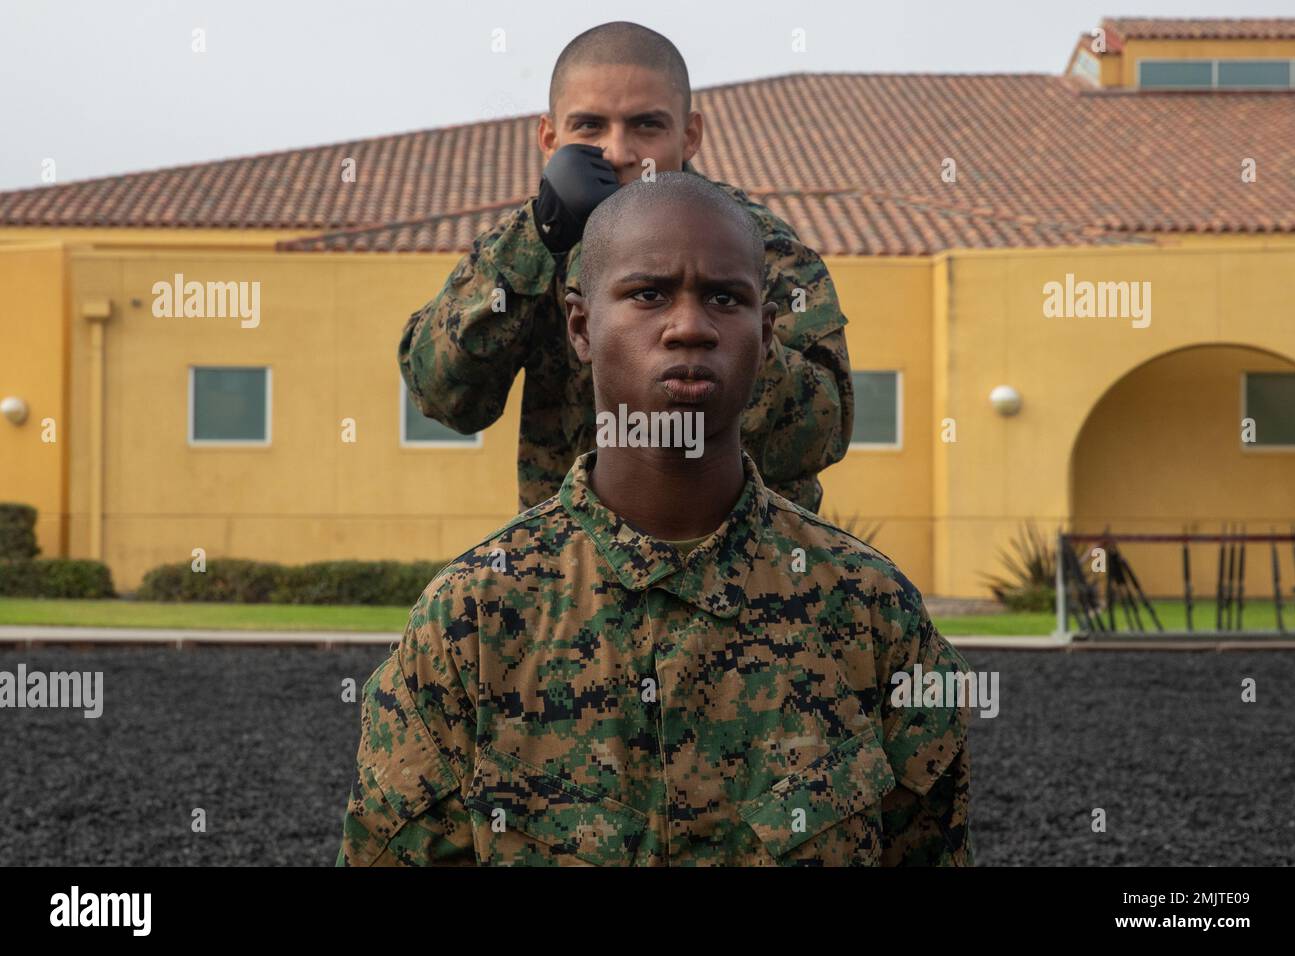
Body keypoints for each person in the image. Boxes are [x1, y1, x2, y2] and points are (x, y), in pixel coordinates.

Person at [339, 173, 974, 866]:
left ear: (765, 337)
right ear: (581, 327)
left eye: (724, 299)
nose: (690, 326)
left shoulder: (871, 615)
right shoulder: (472, 623)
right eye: (648, 294)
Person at [399, 20, 853, 514]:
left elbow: (822, 434)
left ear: (690, 135)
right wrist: (539, 237)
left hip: (745, 572)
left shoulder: (759, 248)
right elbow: (443, 397)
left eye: (646, 125)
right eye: (589, 126)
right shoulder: (529, 249)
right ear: (550, 139)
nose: (618, 153)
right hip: (573, 570)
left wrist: (717, 335)